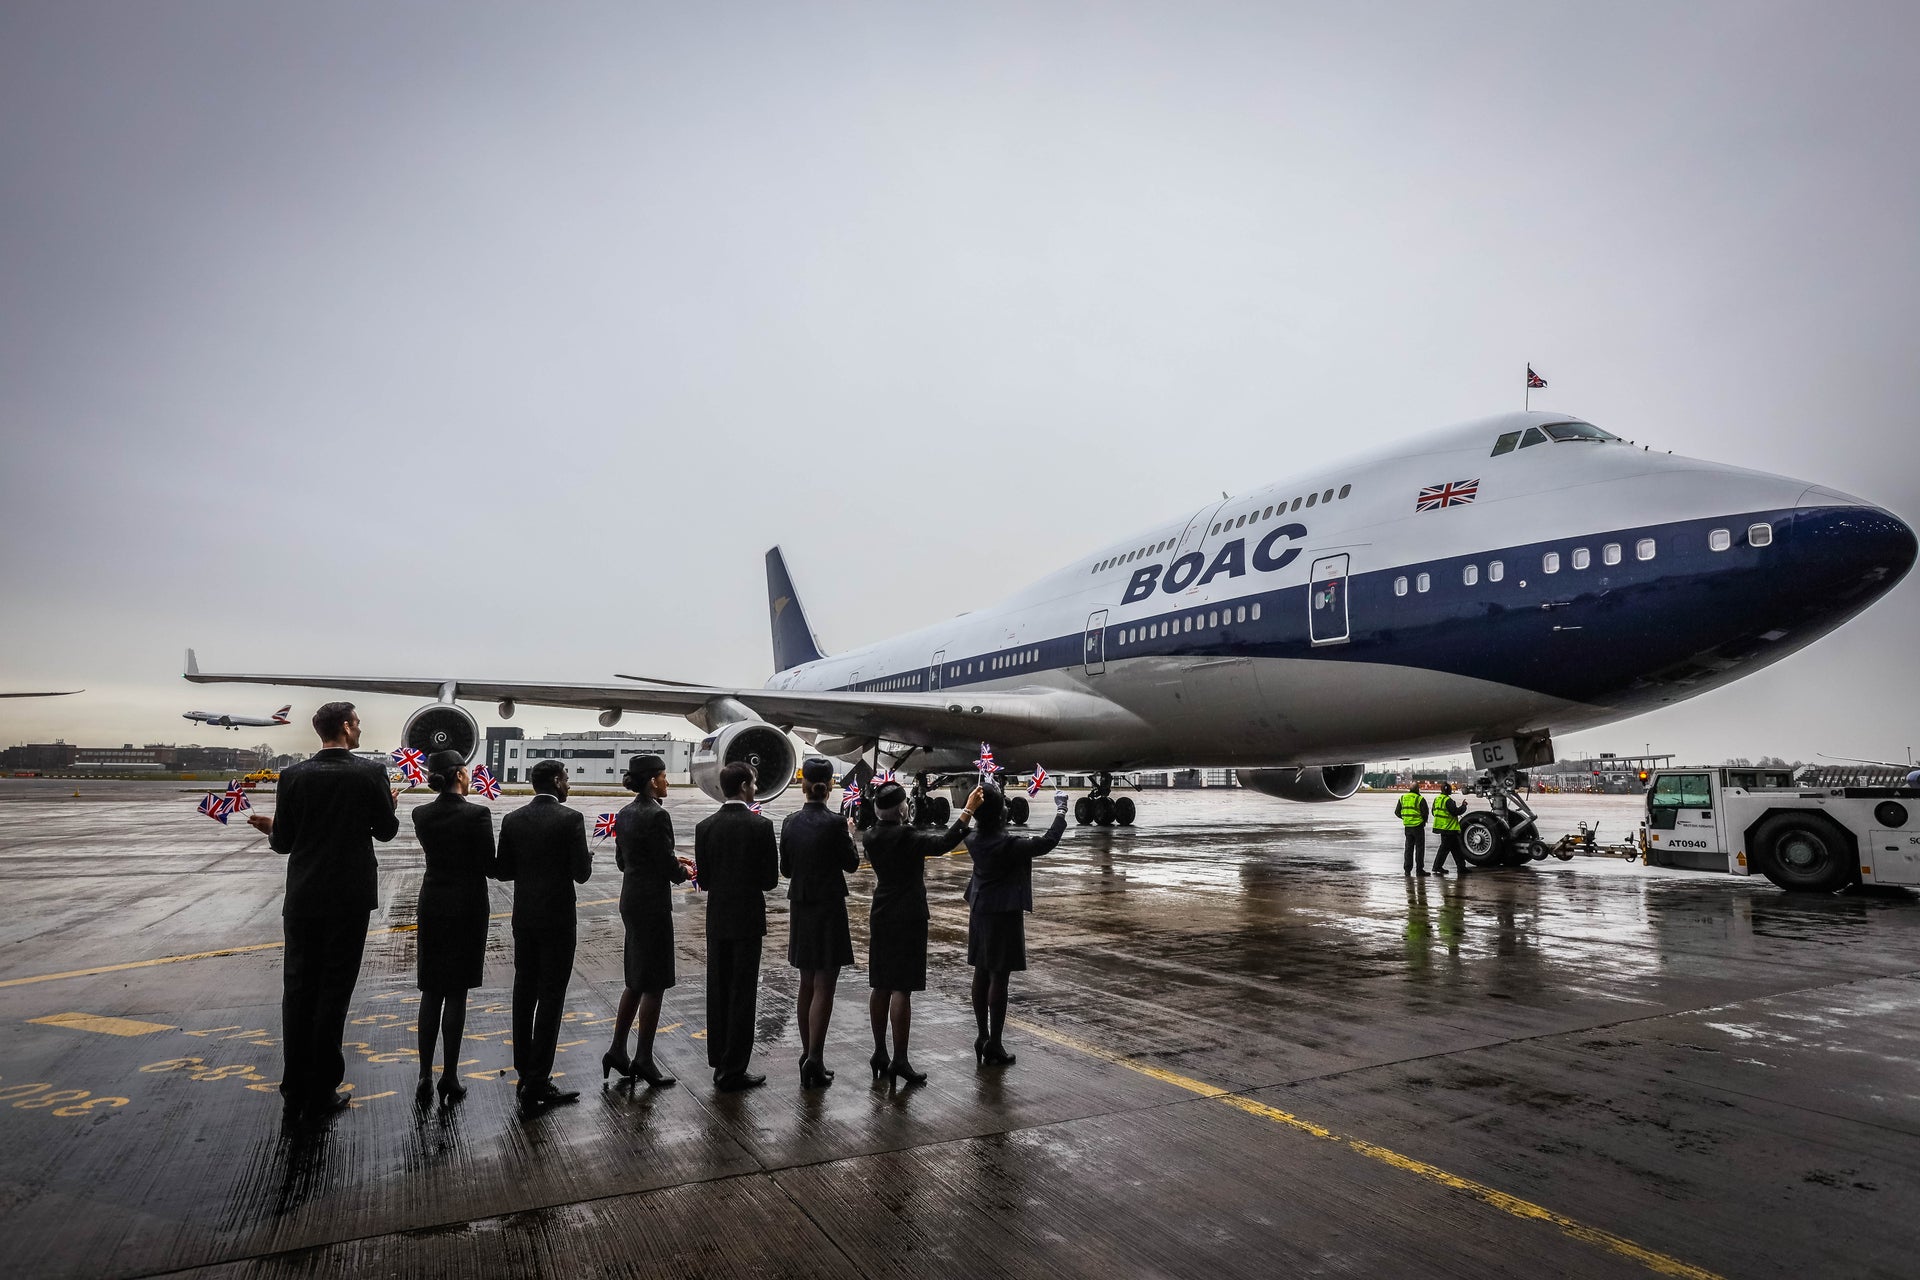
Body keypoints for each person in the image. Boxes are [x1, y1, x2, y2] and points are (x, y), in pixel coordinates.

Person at [244, 701, 398, 1122]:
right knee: (334, 993)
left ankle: (294, 1087)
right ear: (347, 728)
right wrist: (390, 804)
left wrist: (270, 827)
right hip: (349, 899)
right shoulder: (370, 773)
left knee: (297, 992)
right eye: (359, 722)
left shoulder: (293, 776)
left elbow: (285, 843)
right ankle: (324, 1087)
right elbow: (386, 832)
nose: (361, 728)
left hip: (305, 898)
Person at [861, 779, 983, 1085]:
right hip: (908, 914)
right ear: (902, 808)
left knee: (880, 985)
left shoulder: (872, 836)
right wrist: (967, 810)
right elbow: (943, 844)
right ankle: (900, 1059)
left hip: (881, 912)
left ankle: (879, 1052)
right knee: (902, 988)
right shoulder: (906, 835)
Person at [495, 759, 592, 1112]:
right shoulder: (571, 819)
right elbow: (581, 874)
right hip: (558, 920)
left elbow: (503, 871)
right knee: (551, 998)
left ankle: (525, 1071)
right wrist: (586, 858)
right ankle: (539, 1080)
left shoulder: (513, 818)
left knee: (524, 994)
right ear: (555, 781)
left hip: (525, 918)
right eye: (566, 779)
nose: (569, 785)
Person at [409, 749, 497, 1106]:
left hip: (433, 901)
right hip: (468, 905)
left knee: (431, 991)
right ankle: (450, 1075)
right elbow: (491, 865)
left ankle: (423, 1075)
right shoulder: (478, 813)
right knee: (457, 992)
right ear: (460, 775)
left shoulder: (421, 813)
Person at [963, 783, 1069, 1067]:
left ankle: (982, 1036)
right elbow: (1047, 842)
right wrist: (1061, 811)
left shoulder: (974, 838)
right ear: (1000, 815)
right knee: (999, 977)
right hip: (1004, 912)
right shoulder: (1007, 845)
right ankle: (995, 1043)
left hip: (980, 908)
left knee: (981, 972)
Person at [693, 762, 779, 1091]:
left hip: (718, 918)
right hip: (747, 919)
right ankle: (735, 1068)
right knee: (743, 994)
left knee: (718, 990)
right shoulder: (760, 826)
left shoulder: (705, 826)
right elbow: (770, 881)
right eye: (754, 784)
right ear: (744, 786)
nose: (756, 789)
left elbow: (706, 879)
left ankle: (719, 1060)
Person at [603, 753, 687, 1087]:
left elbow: (623, 861)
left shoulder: (624, 814)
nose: (668, 782)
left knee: (636, 979)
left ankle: (617, 1049)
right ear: (653, 780)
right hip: (652, 902)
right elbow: (668, 867)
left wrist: (665, 863)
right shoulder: (657, 815)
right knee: (655, 982)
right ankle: (643, 1058)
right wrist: (684, 870)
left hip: (630, 898)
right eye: (664, 776)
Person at [779, 758, 860, 1088]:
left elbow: (785, 869)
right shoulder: (836, 823)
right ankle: (815, 1057)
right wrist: (850, 836)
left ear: (803, 784)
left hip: (801, 905)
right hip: (829, 907)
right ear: (830, 785)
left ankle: (807, 1053)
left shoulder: (789, 822)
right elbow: (852, 865)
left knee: (806, 982)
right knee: (825, 985)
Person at [1431, 781, 1470, 876]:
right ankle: (1437, 867)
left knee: (1456, 849)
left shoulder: (1437, 799)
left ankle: (1461, 867)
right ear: (1448, 790)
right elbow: (1455, 811)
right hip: (1449, 828)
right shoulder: (1448, 801)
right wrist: (1464, 806)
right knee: (1444, 850)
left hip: (1442, 828)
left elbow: (1433, 812)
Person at [1395, 781, 1429, 876]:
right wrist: (1423, 821)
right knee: (1419, 849)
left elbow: (1397, 812)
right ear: (1418, 789)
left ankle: (1407, 869)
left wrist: (1406, 818)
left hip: (1408, 827)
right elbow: (1425, 813)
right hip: (1418, 827)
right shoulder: (1420, 799)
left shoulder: (1403, 798)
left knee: (1408, 849)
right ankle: (1419, 870)